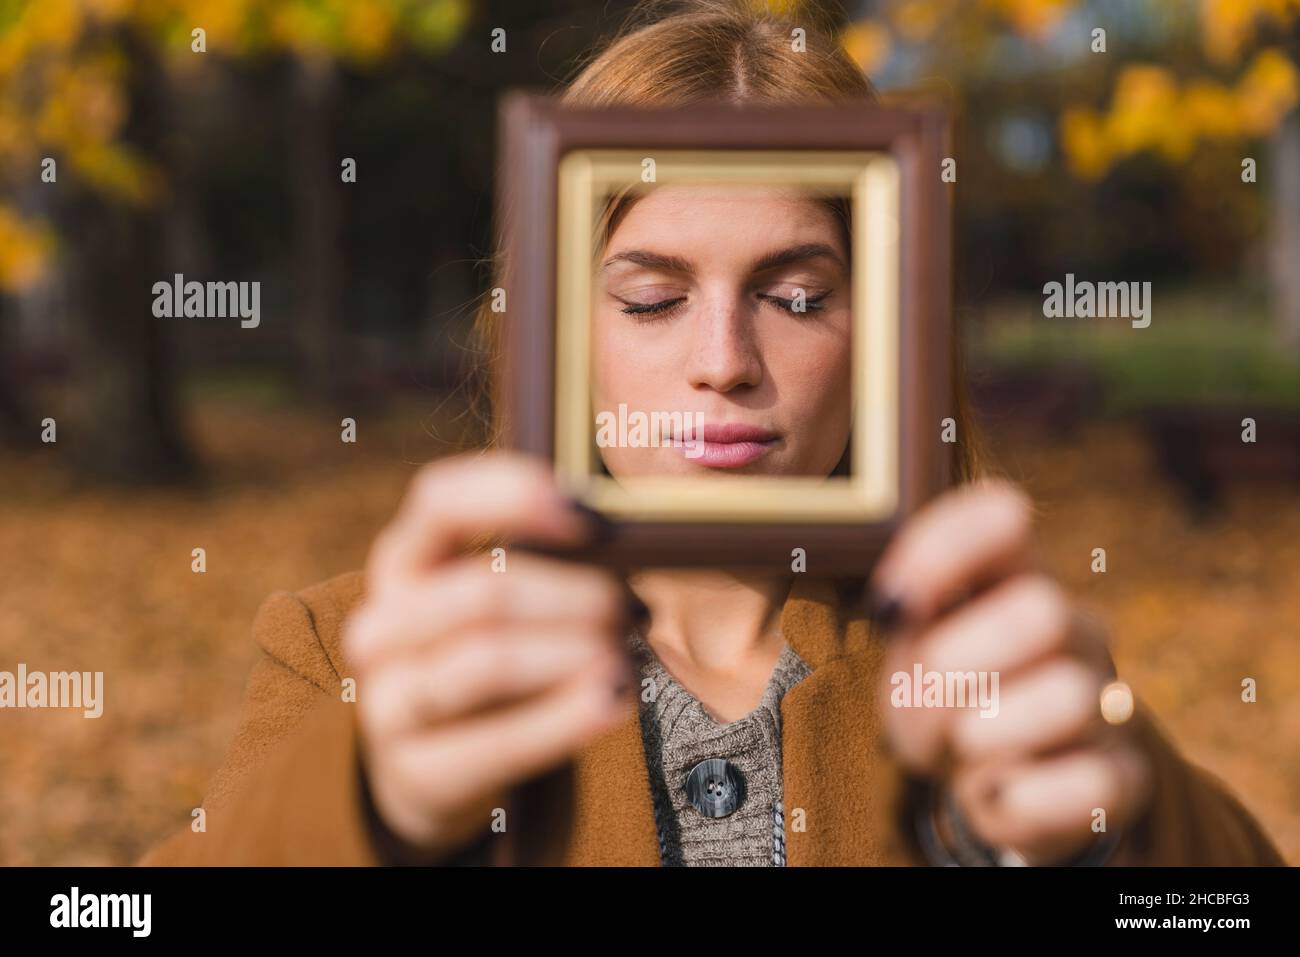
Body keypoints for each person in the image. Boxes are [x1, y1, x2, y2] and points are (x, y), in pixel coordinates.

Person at [139, 0, 1283, 868]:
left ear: (883, 329)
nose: (724, 360)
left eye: (794, 297)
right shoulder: (354, 653)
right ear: (553, 328)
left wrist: (1127, 818)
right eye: (651, 297)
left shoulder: (983, 666)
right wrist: (368, 806)